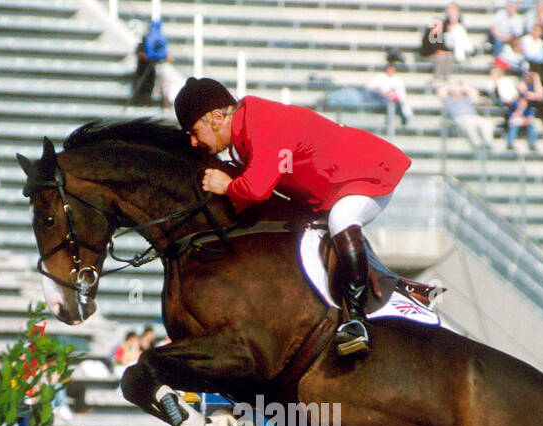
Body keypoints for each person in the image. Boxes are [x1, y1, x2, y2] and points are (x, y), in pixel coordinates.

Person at [175, 76, 411, 358]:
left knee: (342, 218)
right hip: (332, 188)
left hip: (369, 174)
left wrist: (226, 186)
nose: (192, 141)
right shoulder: (243, 133)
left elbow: (257, 189)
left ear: (215, 117)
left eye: (193, 130)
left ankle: (357, 321)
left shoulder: (262, 123)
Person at [438, 82, 495, 149]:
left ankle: (488, 143)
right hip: (459, 118)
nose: (457, 93)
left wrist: (462, 87)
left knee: (487, 123)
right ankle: (477, 144)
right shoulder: (448, 100)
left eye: (459, 91)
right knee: (469, 123)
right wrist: (452, 86)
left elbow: (474, 92)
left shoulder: (467, 99)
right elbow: (440, 91)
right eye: (455, 91)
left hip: (473, 116)